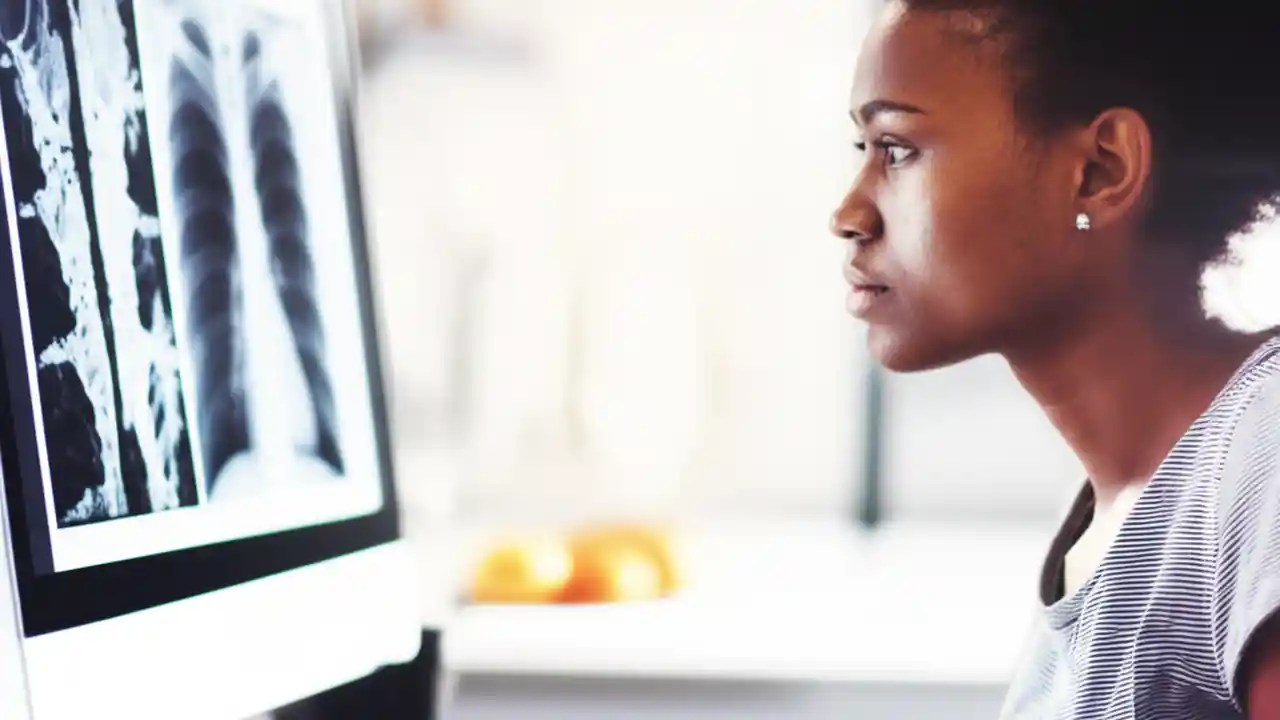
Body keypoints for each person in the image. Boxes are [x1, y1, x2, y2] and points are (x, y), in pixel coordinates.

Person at [829, 2, 1280, 718]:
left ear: (1099, 171)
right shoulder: (1120, 519)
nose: (849, 214)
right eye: (865, 150)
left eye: (899, 148)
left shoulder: (1266, 467)